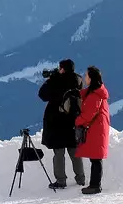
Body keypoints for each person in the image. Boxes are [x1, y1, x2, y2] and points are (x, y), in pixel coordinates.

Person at [38, 59, 84, 189]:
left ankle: (61, 180)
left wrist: (52, 79)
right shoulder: (78, 80)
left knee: (59, 153)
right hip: (73, 120)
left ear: (62, 68)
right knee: (75, 151)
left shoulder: (56, 80)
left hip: (56, 121)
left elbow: (42, 95)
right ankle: (81, 178)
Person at [75, 66, 110, 195]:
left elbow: (88, 114)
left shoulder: (95, 95)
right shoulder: (94, 92)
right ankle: (94, 185)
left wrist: (76, 121)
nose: (85, 78)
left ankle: (95, 186)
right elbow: (84, 94)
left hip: (96, 129)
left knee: (96, 159)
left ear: (91, 78)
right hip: (96, 129)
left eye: (86, 75)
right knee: (95, 158)